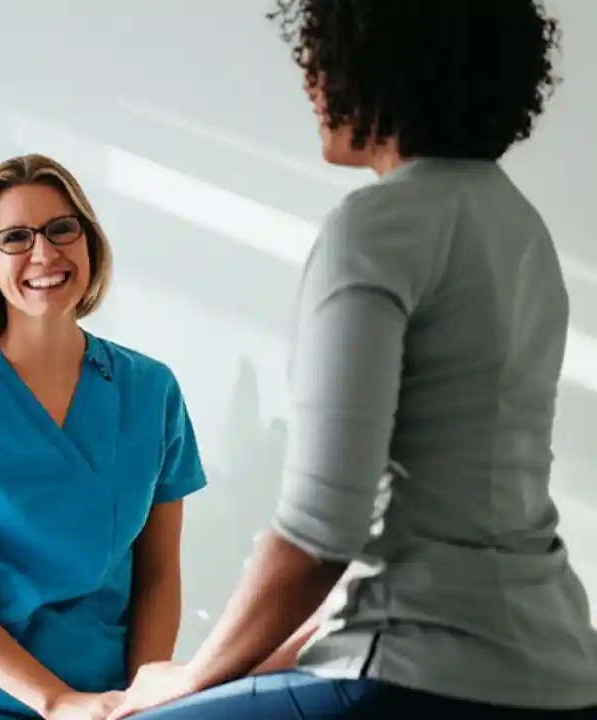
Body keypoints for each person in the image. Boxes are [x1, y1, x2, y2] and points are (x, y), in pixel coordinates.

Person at [107, 1, 597, 718]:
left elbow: (315, 535)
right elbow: (404, 526)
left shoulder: (376, 229)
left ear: (381, 65)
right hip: (559, 672)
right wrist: (222, 673)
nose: (311, 80)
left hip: (423, 677)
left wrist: (184, 680)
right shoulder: (518, 226)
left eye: (324, 55)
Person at [0, 153, 208, 719]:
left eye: (61, 229)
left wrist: (138, 702)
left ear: (88, 243)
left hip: (100, 695)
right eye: (15, 238)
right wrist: (56, 702)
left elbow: (157, 576)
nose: (45, 253)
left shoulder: (152, 391)